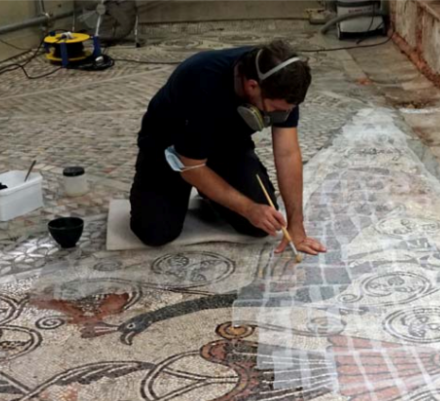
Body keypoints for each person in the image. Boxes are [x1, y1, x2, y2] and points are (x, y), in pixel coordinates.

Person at [129, 40, 327, 256]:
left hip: (226, 146)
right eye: (276, 111)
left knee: (260, 226)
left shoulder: (282, 86)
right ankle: (198, 192)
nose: (279, 116)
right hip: (169, 149)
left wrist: (296, 226)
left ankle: (211, 193)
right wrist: (248, 208)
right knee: (156, 232)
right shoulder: (202, 79)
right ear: (252, 86)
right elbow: (191, 167)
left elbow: (287, 153)